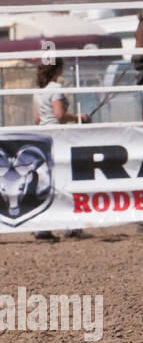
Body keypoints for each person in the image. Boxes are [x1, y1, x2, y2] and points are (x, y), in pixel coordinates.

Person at [31, 60, 88, 242]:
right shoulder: (56, 87)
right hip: (58, 138)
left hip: (43, 139)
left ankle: (42, 226)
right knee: (65, 181)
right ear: (58, 69)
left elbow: (37, 119)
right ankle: (69, 226)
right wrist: (79, 117)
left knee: (47, 183)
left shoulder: (38, 90)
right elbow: (60, 115)